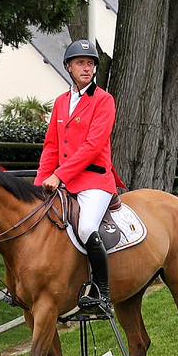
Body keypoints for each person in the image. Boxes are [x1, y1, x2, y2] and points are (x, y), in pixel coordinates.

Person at [36, 39, 123, 313]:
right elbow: (51, 145)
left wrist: (59, 175)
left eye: (90, 63)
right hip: (64, 181)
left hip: (94, 181)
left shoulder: (104, 100)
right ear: (69, 67)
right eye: (80, 63)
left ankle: (102, 293)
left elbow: (92, 146)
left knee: (86, 228)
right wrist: (40, 183)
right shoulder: (61, 102)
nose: (86, 68)